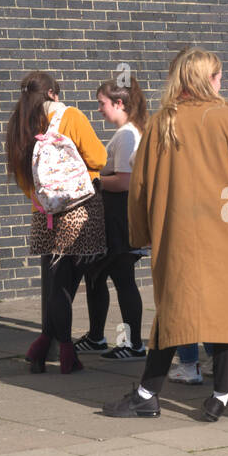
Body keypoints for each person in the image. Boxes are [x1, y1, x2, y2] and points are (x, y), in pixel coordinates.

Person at [102, 48, 228, 421]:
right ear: (204, 78)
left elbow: (140, 189)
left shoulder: (163, 123)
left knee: (173, 313)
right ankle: (220, 397)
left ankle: (148, 394)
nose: (220, 83)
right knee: (226, 311)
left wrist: (140, 234)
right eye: (216, 76)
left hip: (177, 233)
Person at [4, 71, 107, 374]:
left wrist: (41, 200)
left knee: (54, 282)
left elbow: (24, 177)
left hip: (44, 213)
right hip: (78, 209)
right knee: (65, 285)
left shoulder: (19, 125)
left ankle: (43, 346)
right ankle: (63, 352)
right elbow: (99, 158)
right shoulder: (70, 116)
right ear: (51, 94)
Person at [72, 77, 149, 361]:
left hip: (121, 218)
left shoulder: (128, 135)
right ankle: (96, 337)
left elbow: (126, 182)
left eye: (102, 104)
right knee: (97, 276)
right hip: (116, 217)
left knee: (122, 278)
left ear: (119, 103)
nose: (99, 110)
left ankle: (133, 344)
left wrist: (92, 181)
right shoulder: (128, 132)